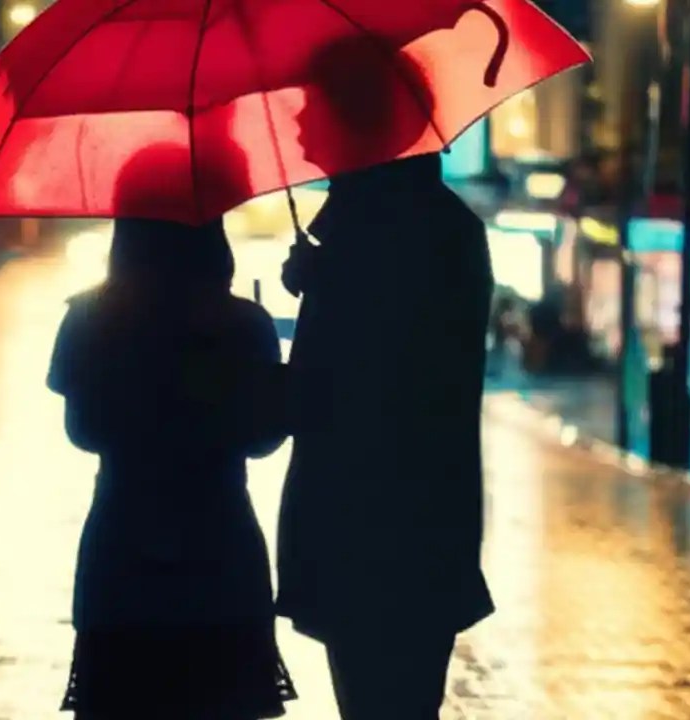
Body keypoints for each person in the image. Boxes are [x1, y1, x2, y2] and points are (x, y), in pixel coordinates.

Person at [276, 39, 496, 720]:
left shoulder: (375, 237)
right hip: (421, 538)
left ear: (356, 122)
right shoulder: (432, 225)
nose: (297, 122)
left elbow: (346, 395)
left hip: (370, 539)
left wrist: (320, 296)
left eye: (312, 106)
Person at [48, 147, 296, 718]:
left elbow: (81, 430)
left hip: (123, 552)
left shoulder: (90, 318)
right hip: (220, 552)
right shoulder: (241, 323)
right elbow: (262, 439)